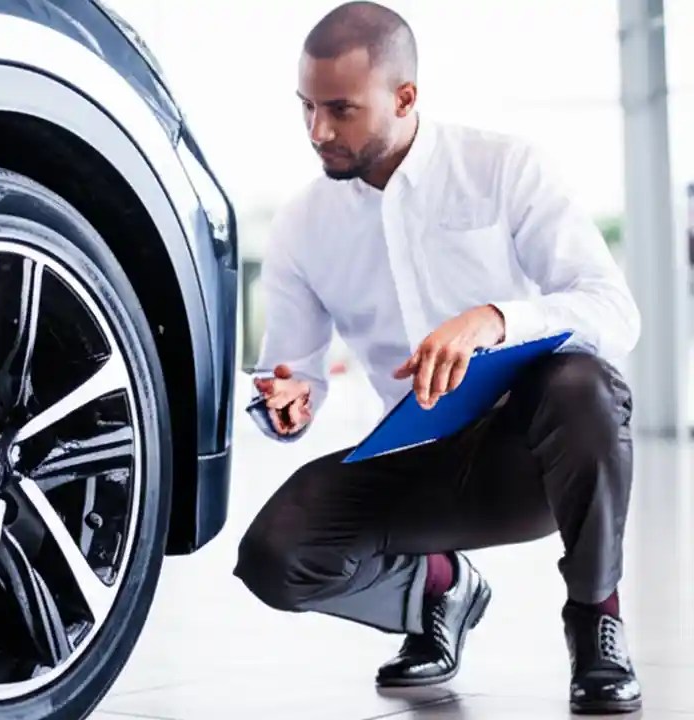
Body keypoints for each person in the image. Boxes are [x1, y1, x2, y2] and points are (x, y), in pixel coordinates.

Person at [233, 1, 643, 715]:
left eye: (340, 110)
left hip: (535, 453)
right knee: (273, 556)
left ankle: (596, 620)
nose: (318, 132)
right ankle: (439, 589)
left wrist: (494, 321)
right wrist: (287, 402)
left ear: (405, 97)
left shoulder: (504, 168)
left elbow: (614, 311)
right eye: (305, 107)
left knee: (585, 386)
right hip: (417, 457)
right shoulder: (302, 224)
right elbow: (292, 371)